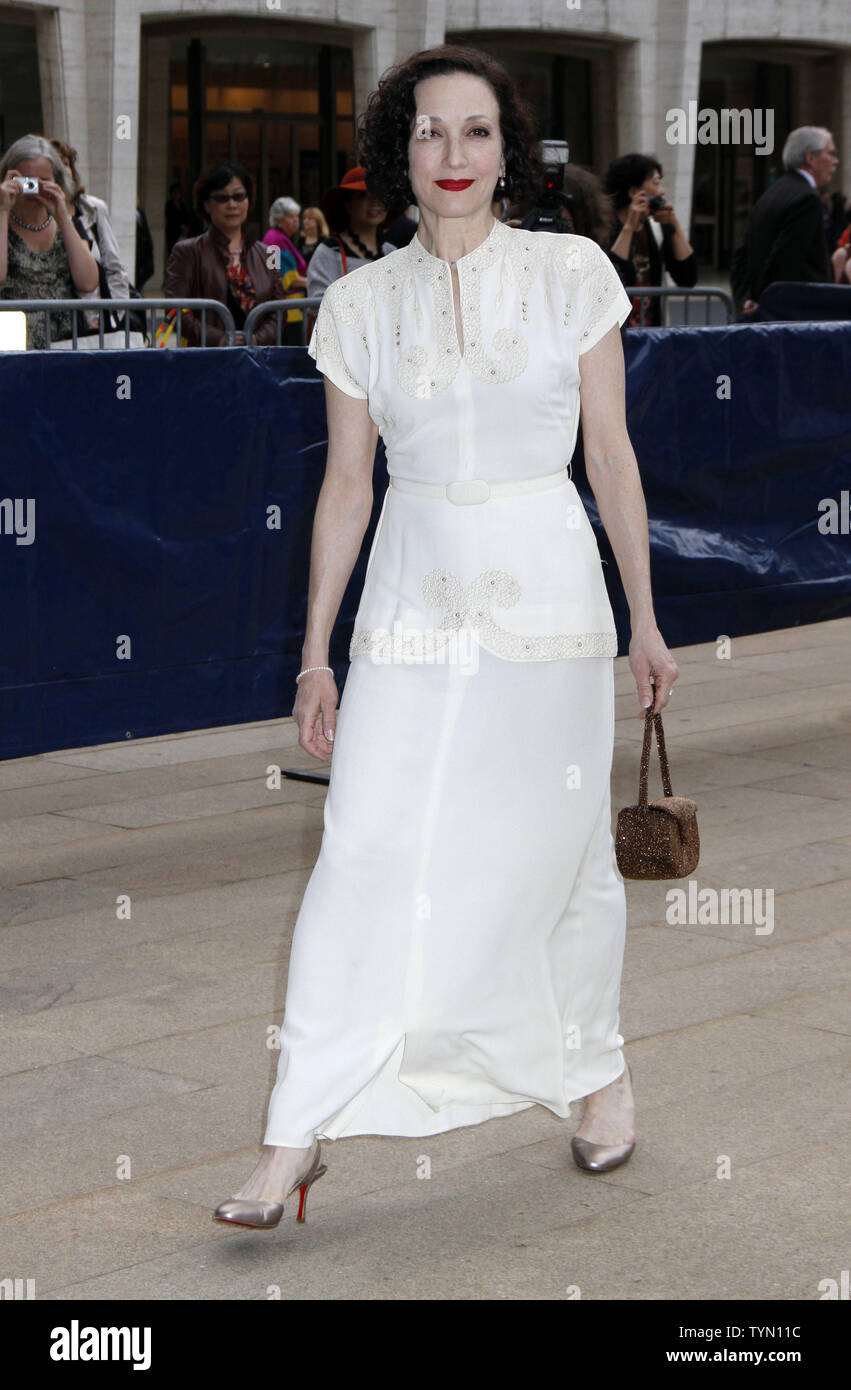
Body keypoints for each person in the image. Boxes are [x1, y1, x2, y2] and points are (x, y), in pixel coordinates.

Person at [213, 43, 679, 1232]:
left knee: (556, 856)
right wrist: (317, 652)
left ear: (505, 151)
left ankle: (593, 1075)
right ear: (396, 155)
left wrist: (645, 617)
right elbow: (347, 490)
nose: (453, 156)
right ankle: (293, 1132)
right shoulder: (361, 302)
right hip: (411, 609)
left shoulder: (572, 272)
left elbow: (610, 456)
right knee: (363, 847)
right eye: (429, 133)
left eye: (475, 132)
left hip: (552, 605)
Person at [163, 162, 288, 346]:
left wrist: (256, 339)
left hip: (258, 361)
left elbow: (279, 310)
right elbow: (175, 311)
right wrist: (219, 340)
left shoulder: (270, 252)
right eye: (222, 198)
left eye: (239, 196)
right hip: (206, 362)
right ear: (206, 205)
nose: (232, 205)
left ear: (248, 200)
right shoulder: (186, 251)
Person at [0, 134, 99, 348]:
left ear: (58, 181)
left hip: (64, 346)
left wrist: (62, 216)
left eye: (43, 181)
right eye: (26, 181)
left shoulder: (67, 225)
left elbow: (88, 282)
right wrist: (3, 210)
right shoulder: (2, 221)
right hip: (12, 347)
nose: (35, 188)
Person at [731, 127, 839, 313]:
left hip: (764, 310)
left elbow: (742, 255)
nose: (835, 161)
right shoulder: (806, 199)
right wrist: (766, 303)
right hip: (794, 314)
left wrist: (746, 298)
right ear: (810, 158)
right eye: (830, 153)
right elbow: (786, 259)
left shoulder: (771, 193)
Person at [603, 153, 698, 326]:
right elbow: (614, 279)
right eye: (655, 182)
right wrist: (629, 227)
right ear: (633, 192)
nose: (661, 191)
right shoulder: (604, 228)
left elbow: (687, 276)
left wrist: (674, 225)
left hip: (651, 335)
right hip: (617, 332)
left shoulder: (655, 228)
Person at [49, 138, 132, 302]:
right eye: (56, 164)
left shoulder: (93, 208)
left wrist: (113, 314)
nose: (63, 170)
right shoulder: (35, 212)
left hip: (93, 316)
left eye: (66, 163)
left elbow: (114, 267)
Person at [305, 166, 400, 298]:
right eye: (364, 196)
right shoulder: (329, 252)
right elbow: (319, 305)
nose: (375, 203)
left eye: (381, 197)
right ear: (348, 205)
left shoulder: (392, 253)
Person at [262, 196, 308, 343]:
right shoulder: (276, 239)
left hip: (288, 308)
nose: (296, 220)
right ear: (278, 219)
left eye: (297, 216)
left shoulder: (277, 237)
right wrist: (316, 282)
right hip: (288, 309)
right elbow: (289, 279)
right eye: (290, 217)